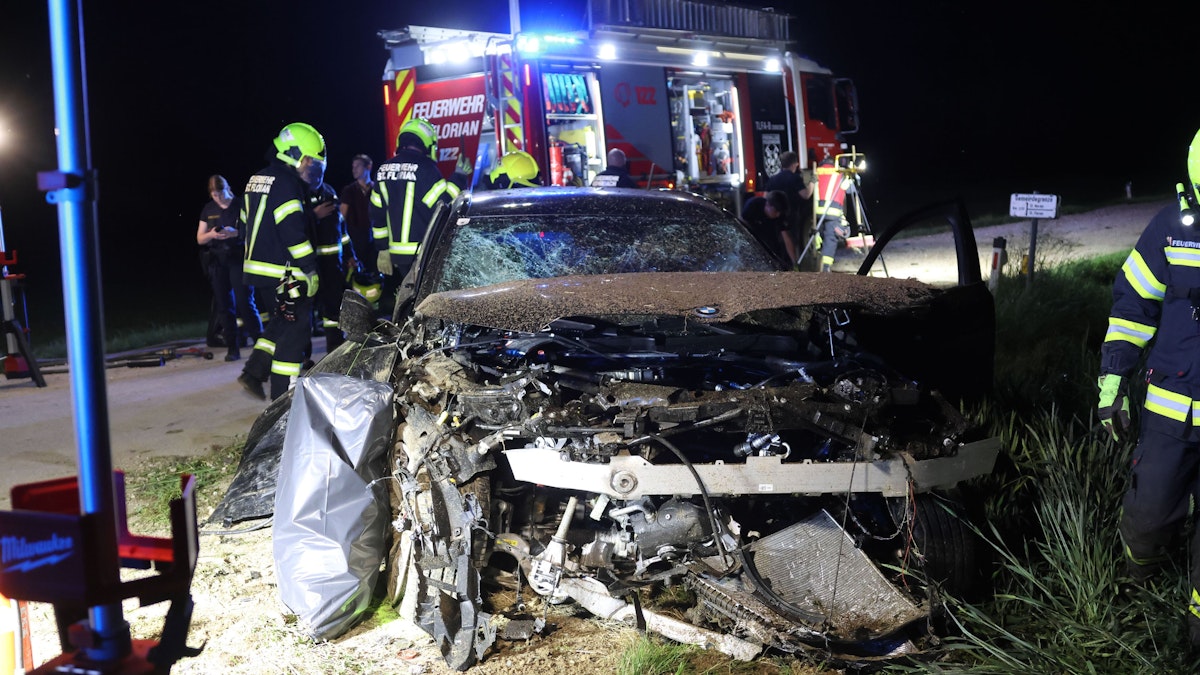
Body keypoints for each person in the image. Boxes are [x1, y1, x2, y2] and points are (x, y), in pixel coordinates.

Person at [1098, 127, 1200, 648]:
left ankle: (1193, 638)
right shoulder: (1173, 227)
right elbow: (1133, 308)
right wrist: (1111, 387)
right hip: (1171, 411)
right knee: (1148, 519)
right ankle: (1136, 603)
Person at [236, 122, 325, 401]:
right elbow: (292, 233)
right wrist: (309, 268)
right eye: (309, 162)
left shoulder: (256, 179)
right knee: (295, 335)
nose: (310, 169)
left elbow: (242, 227)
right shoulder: (288, 184)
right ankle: (283, 401)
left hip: (257, 271)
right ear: (295, 155)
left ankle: (253, 372)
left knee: (280, 323)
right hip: (284, 274)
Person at [369, 117, 459, 314]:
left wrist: (382, 249)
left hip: (397, 256)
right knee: (425, 306)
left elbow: (377, 214)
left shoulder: (384, 169)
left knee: (407, 303)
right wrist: (459, 177)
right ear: (427, 143)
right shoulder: (427, 170)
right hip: (423, 252)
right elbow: (444, 205)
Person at [196, 174, 261, 361]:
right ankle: (233, 348)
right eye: (214, 195)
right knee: (224, 306)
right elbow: (200, 238)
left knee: (245, 302)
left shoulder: (241, 204)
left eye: (221, 193)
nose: (218, 198)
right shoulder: (208, 209)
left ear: (227, 188)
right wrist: (212, 235)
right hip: (217, 260)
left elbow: (253, 230)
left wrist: (236, 233)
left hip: (238, 258)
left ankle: (261, 345)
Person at [307, 168, 354, 355]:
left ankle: (334, 348)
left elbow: (341, 229)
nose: (316, 177)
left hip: (333, 263)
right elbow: (295, 226)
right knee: (306, 309)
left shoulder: (329, 192)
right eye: (312, 173)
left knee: (333, 307)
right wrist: (314, 216)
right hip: (310, 262)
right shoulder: (300, 194)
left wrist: (350, 254)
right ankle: (302, 355)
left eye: (319, 173)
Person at [812, 156, 851, 272]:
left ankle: (818, 254)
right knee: (830, 239)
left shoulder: (817, 172)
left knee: (818, 235)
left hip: (818, 212)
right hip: (833, 211)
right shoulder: (839, 172)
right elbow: (847, 188)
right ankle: (825, 267)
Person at [740, 190, 795, 266]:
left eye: (780, 212)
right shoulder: (753, 205)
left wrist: (794, 262)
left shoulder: (779, 216)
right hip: (753, 237)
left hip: (771, 239)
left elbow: (787, 238)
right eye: (775, 211)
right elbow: (742, 226)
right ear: (768, 205)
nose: (778, 215)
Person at [338, 154, 373, 274]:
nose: (354, 169)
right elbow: (341, 217)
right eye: (353, 166)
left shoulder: (376, 189)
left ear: (368, 166)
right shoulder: (349, 190)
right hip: (355, 240)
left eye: (357, 166)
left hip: (373, 240)